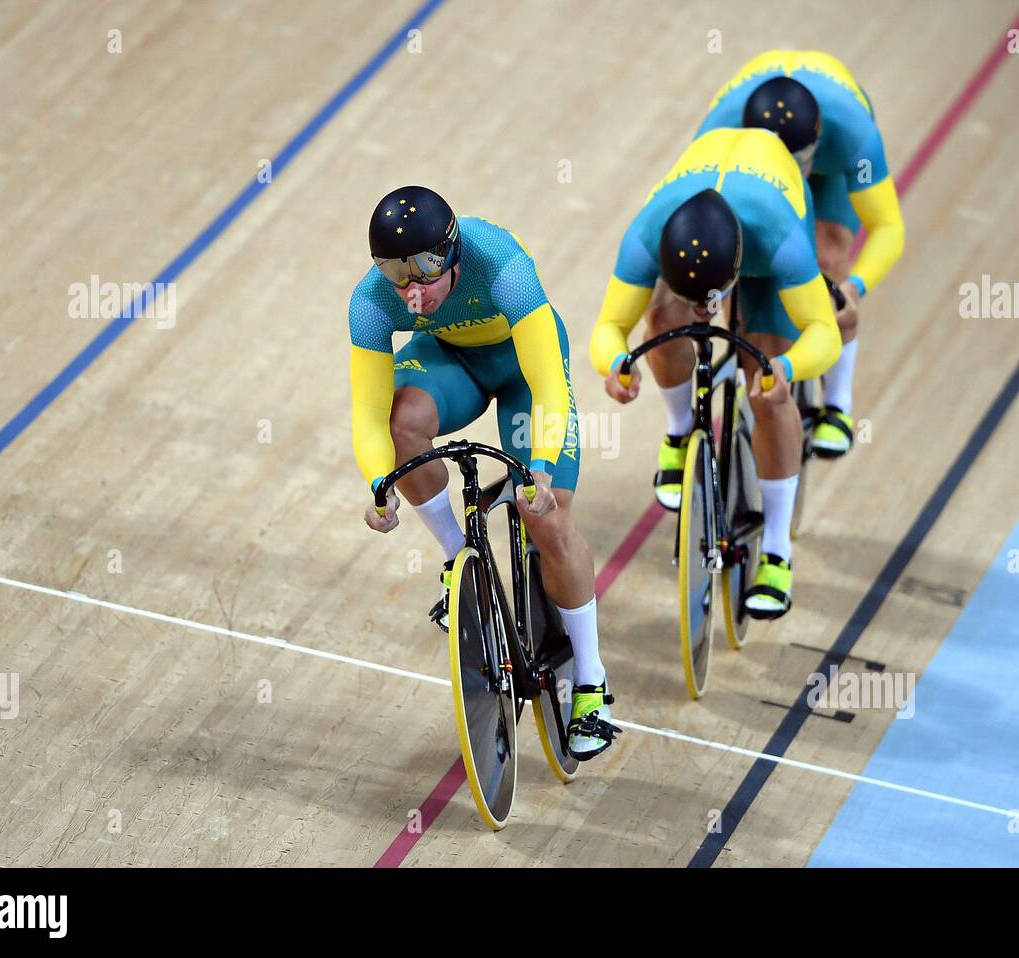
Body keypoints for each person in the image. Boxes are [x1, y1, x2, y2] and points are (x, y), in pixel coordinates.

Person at [349, 186, 618, 759]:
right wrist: (379, 482)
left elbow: (547, 382)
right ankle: (457, 560)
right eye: (396, 273)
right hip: (453, 362)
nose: (411, 287)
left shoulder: (503, 265)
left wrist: (542, 468)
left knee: (547, 518)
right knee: (402, 426)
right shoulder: (374, 300)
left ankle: (592, 680)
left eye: (423, 269)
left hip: (524, 370)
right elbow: (368, 412)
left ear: (452, 253)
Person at [589, 128, 845, 618]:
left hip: (772, 200)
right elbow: (609, 327)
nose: (706, 312)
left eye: (713, 299)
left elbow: (824, 332)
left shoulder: (779, 239)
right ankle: (681, 430)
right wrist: (616, 364)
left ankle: (775, 550)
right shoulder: (646, 236)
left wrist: (787, 367)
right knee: (663, 322)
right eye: (696, 299)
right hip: (705, 207)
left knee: (767, 380)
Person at [698, 50, 905, 457]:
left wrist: (853, 286)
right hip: (750, 172)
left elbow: (888, 228)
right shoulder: (720, 130)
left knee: (827, 256)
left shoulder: (851, 134)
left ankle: (838, 404)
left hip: (827, 171)